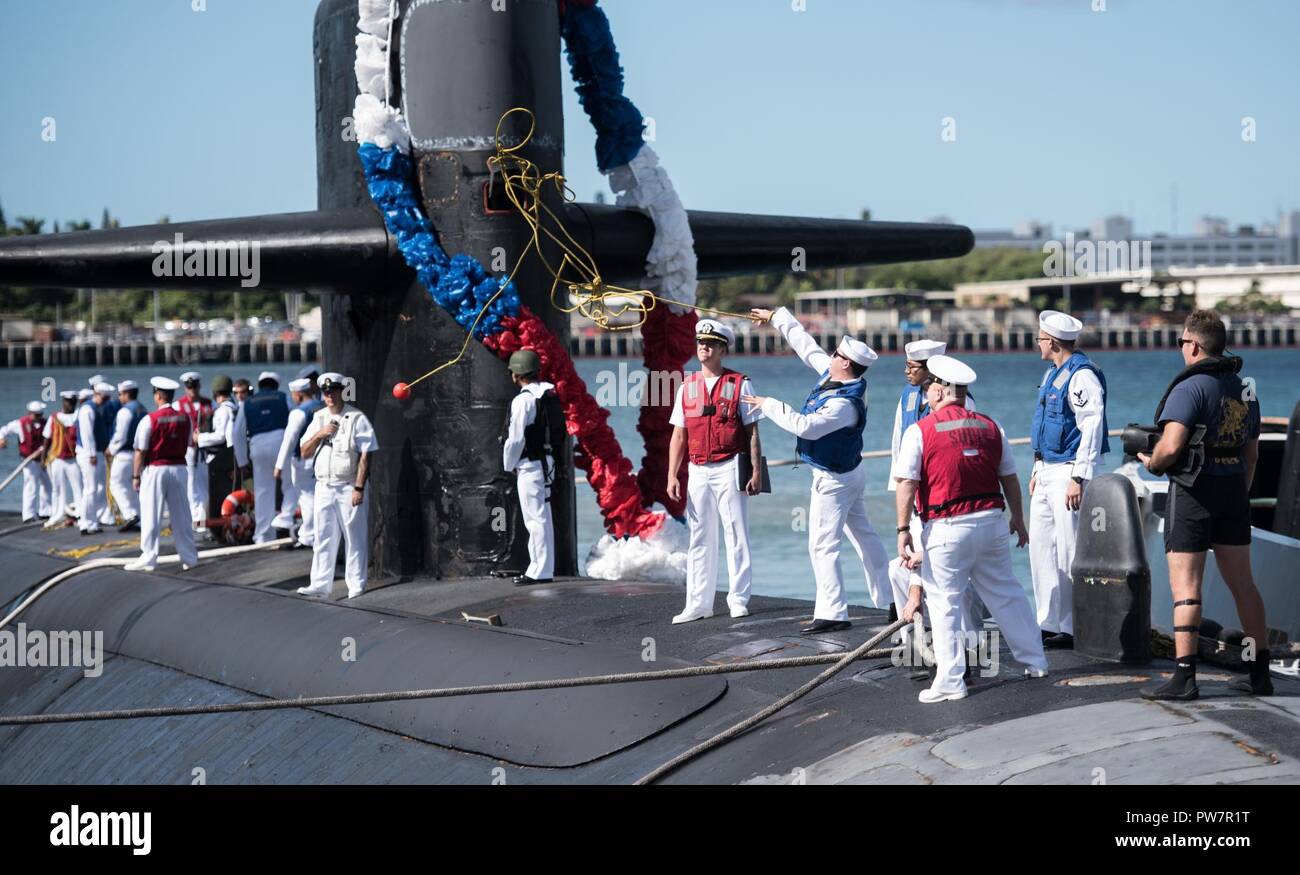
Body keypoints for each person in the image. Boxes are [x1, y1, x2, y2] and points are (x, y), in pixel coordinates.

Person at [894, 355, 1049, 703]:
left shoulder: (920, 431)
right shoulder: (992, 427)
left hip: (948, 528)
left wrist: (903, 528)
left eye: (929, 389)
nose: (926, 396)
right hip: (992, 523)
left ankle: (951, 681)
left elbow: (906, 483)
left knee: (945, 601)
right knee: (1007, 593)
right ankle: (1035, 661)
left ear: (938, 390)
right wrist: (1019, 520)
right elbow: (1009, 477)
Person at [1138, 310, 1271, 700]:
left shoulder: (1190, 388)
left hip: (1194, 494)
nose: (1181, 347)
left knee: (1186, 587)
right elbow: (1252, 453)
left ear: (1193, 345)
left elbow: (1172, 445)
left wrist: (1152, 462)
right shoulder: (1245, 388)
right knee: (1243, 584)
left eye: (1181, 341)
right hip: (1232, 491)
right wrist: (1239, 492)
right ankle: (1258, 673)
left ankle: (1184, 677)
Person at [743, 307, 892, 635]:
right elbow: (805, 346)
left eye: (836, 353)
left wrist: (768, 403)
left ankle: (833, 612)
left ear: (846, 363)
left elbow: (806, 427)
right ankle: (892, 596)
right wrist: (777, 317)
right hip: (849, 472)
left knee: (823, 545)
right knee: (864, 536)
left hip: (834, 480)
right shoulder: (836, 376)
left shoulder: (843, 405)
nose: (831, 355)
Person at [886, 339, 981, 677]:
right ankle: (919, 647)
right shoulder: (907, 397)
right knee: (899, 570)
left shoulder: (961, 404)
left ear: (933, 373)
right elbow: (900, 453)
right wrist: (903, 506)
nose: (907, 371)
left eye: (913, 367)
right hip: (918, 503)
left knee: (952, 581)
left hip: (947, 506)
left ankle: (969, 650)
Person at [665, 320, 764, 623]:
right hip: (697, 469)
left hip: (729, 465)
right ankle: (698, 603)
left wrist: (756, 470)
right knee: (699, 536)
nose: (704, 347)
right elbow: (679, 435)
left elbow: (753, 432)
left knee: (736, 534)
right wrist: (672, 474)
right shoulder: (687, 387)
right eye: (700, 343)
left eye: (711, 343)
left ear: (723, 349)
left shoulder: (740, 384)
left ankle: (738, 599)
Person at [1028, 310, 1109, 650]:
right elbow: (1043, 423)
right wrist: (1036, 467)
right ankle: (1047, 621)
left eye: (1040, 339)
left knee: (1070, 549)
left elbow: (1092, 424)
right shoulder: (1052, 375)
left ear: (1053, 342)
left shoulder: (1081, 376)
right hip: (1048, 468)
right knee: (1042, 547)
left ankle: (1074, 625)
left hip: (1069, 470)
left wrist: (1079, 475)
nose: (1038, 344)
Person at [297, 372, 378, 599]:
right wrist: (319, 435)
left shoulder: (356, 418)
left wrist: (359, 488)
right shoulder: (318, 418)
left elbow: (366, 454)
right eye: (325, 391)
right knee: (323, 537)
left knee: (354, 537)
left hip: (349, 485)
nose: (329, 395)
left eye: (333, 390)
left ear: (342, 391)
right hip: (324, 486)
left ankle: (356, 583)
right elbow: (304, 452)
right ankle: (320, 584)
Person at [500, 351, 565, 587]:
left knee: (534, 519)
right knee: (544, 517)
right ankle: (544, 566)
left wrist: (509, 465)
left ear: (516, 374)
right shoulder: (547, 395)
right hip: (547, 463)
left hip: (529, 465)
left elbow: (515, 439)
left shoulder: (523, 401)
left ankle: (538, 570)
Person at [125, 377, 199, 572]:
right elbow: (191, 442)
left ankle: (149, 557)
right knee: (182, 515)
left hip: (156, 469)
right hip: (180, 468)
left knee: (151, 514)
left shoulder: (149, 419)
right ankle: (189, 557)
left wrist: (135, 476)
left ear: (157, 396)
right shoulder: (186, 418)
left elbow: (140, 450)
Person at [231, 372, 289, 544]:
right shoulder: (284, 397)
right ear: (276, 385)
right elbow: (295, 423)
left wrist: (242, 462)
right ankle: (290, 524)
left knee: (263, 491)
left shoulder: (247, 403)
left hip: (258, 447)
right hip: (281, 444)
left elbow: (237, 433)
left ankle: (263, 535)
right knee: (290, 486)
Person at [275, 377, 323, 549]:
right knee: (318, 496)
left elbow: (289, 440)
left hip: (303, 460)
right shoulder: (321, 406)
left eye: (293, 394)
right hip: (321, 458)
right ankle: (318, 531)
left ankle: (308, 535)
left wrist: (279, 465)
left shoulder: (298, 412)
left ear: (299, 394)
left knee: (306, 498)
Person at [198, 375, 239, 536]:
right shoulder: (236, 408)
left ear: (215, 393)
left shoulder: (223, 411)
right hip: (234, 457)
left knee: (217, 495)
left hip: (221, 459)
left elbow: (221, 436)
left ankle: (216, 529)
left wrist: (199, 438)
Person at [0, 401, 53, 522]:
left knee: (48, 485)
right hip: (29, 462)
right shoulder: (20, 424)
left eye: (40, 415)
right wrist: (1, 439)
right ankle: (28, 514)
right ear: (30, 413)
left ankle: (46, 511)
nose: (39, 417)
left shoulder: (46, 423)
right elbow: (4, 429)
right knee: (31, 486)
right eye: (36, 415)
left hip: (44, 460)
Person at [75, 382, 116, 535]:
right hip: (88, 454)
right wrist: (92, 454)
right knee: (90, 489)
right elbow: (87, 435)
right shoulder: (87, 409)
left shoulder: (97, 409)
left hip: (97, 453)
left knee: (98, 488)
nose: (106, 402)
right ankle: (85, 522)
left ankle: (94, 520)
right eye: (105, 398)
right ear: (98, 395)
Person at [107, 380, 146, 532]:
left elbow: (120, 436)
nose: (119, 397)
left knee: (115, 485)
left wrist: (110, 449)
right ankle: (137, 517)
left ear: (127, 394)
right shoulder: (142, 409)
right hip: (139, 454)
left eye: (120, 394)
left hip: (124, 453)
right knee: (132, 487)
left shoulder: (125, 411)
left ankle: (130, 514)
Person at [178, 372, 214, 532]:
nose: (192, 390)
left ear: (199, 386)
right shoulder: (179, 405)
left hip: (206, 449)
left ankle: (203, 517)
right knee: (190, 485)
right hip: (189, 450)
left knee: (205, 485)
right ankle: (194, 517)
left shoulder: (209, 403)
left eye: (194, 386)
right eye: (189, 387)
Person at [42, 391, 82, 528]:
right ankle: (57, 514)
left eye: (73, 402)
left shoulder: (79, 416)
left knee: (78, 488)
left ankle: (80, 514)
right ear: (63, 402)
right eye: (68, 402)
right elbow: (47, 439)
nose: (70, 405)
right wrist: (43, 458)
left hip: (73, 460)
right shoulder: (54, 418)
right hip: (57, 459)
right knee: (58, 489)